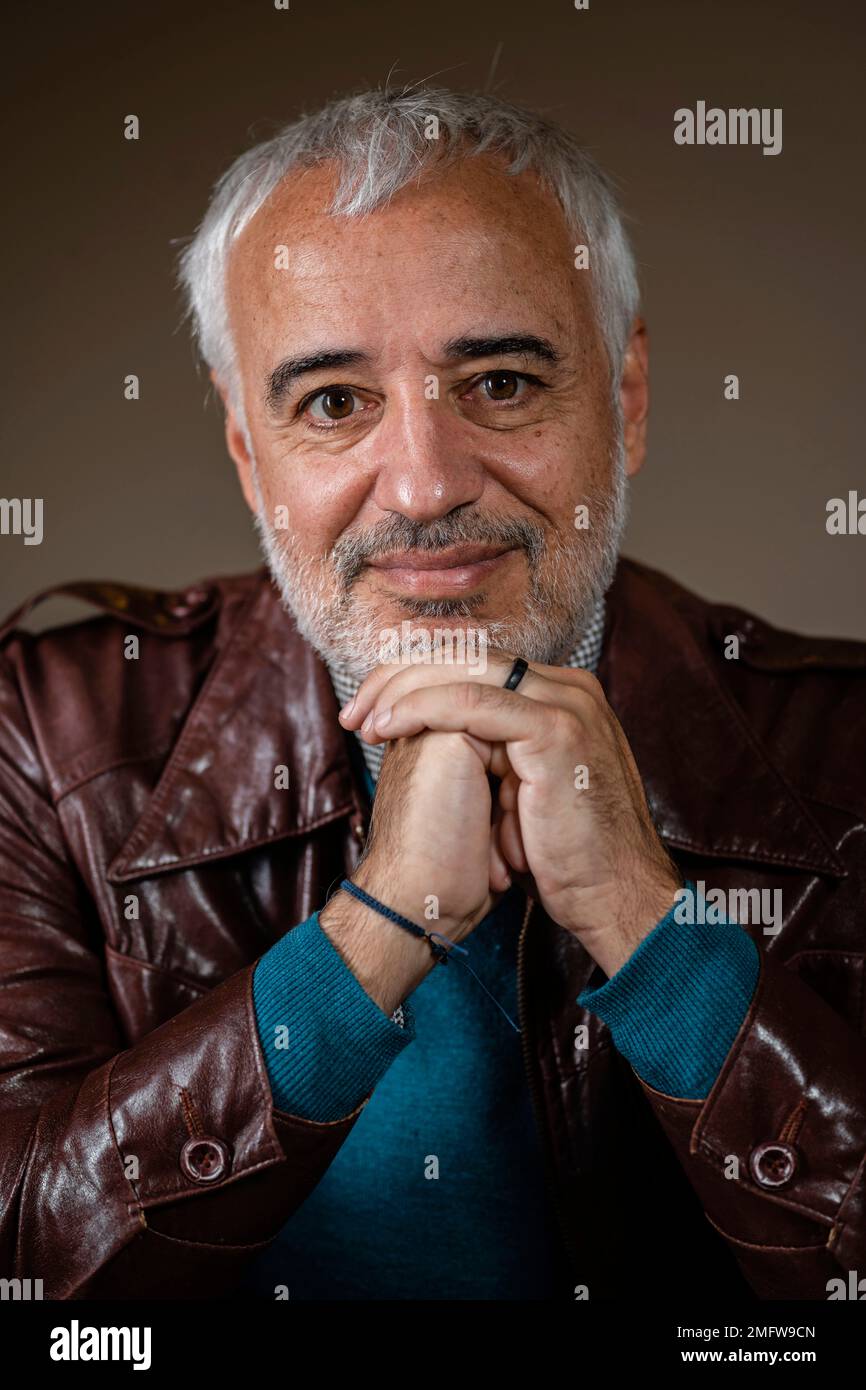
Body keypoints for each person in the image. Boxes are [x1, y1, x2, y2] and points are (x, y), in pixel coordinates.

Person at [1, 85, 864, 1302]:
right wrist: (377, 928)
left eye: (501, 382)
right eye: (334, 402)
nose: (419, 484)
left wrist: (647, 926)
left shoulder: (843, 749)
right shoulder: (46, 732)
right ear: (250, 453)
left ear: (623, 402)